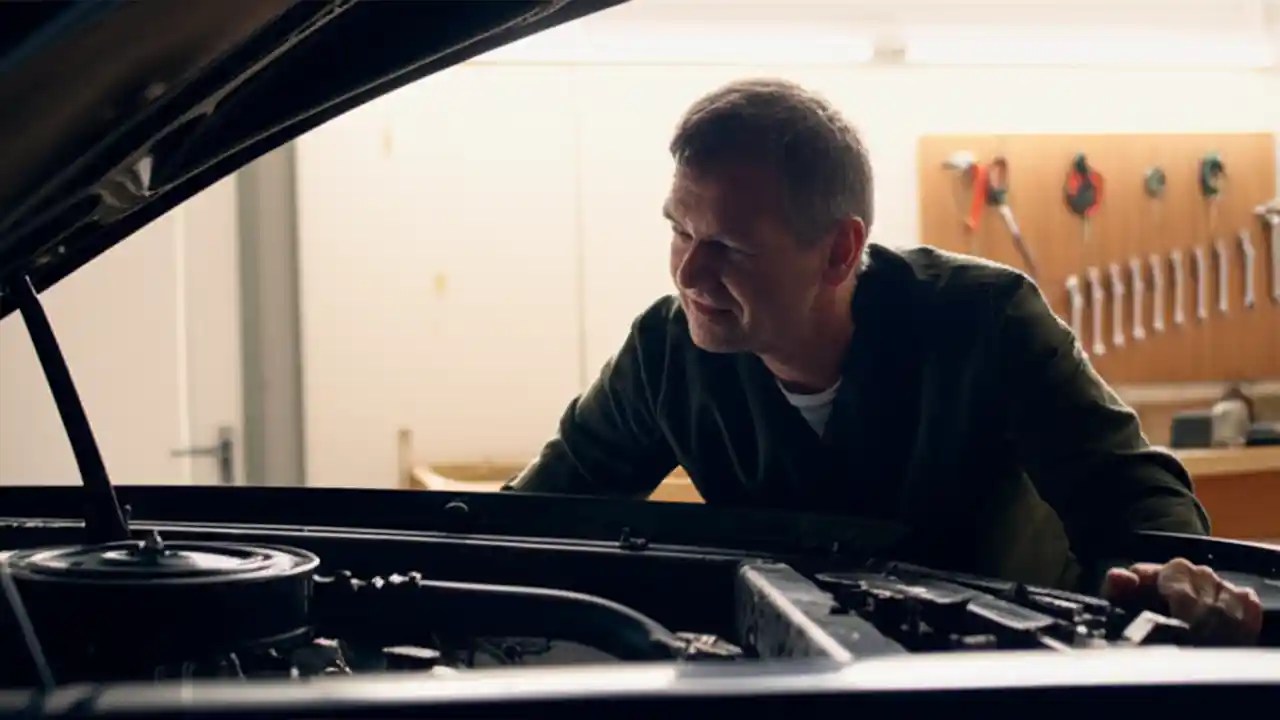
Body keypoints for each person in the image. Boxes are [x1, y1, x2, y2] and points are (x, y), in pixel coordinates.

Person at [504, 78, 1263, 644]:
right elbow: (536, 518)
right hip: (809, 674)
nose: (690, 275)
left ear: (839, 251)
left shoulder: (987, 321)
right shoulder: (666, 353)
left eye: (730, 246)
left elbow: (1128, 492)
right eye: (679, 231)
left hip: (1012, 682)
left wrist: (1168, 576)